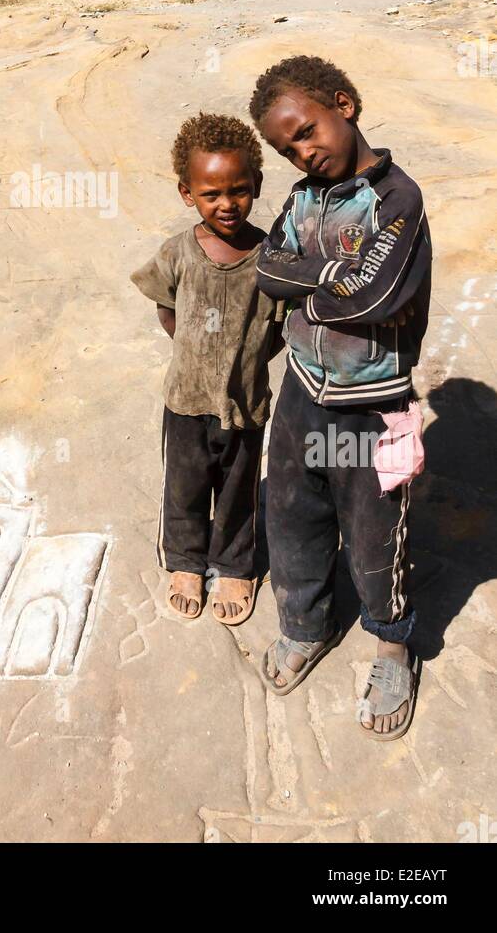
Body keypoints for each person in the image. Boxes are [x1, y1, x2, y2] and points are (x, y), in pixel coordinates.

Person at [249, 54, 431, 739]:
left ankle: (391, 642)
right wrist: (329, 276)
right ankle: (304, 624)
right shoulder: (301, 200)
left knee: (377, 526)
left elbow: (377, 293)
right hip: (303, 389)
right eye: (285, 147)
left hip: (376, 401)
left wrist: (320, 289)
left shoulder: (396, 200)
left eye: (306, 130)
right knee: (291, 509)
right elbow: (269, 266)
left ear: (344, 105)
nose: (303, 152)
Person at [131, 113, 284, 624]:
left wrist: (248, 359)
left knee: (240, 489)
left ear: (256, 185)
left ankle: (234, 564)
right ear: (186, 193)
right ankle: (186, 561)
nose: (227, 203)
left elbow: (279, 326)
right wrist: (195, 347)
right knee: (185, 486)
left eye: (238, 190)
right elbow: (165, 306)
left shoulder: (270, 258)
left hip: (246, 404)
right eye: (211, 193)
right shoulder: (178, 253)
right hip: (187, 401)